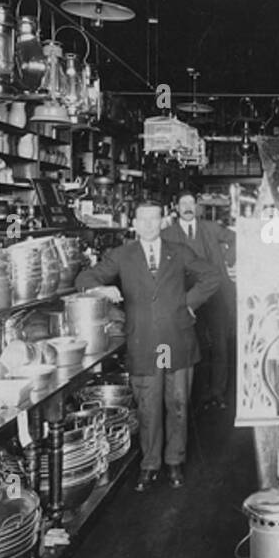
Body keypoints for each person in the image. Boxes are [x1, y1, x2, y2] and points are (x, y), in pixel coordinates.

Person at [76, 201, 220, 491]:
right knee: (148, 407)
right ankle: (150, 464)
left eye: (154, 219)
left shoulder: (178, 252)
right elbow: (84, 279)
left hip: (175, 341)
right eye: (143, 219)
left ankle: (174, 461)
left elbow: (212, 276)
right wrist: (101, 288)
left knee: (177, 404)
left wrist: (188, 304)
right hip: (144, 342)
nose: (149, 225)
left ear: (163, 221)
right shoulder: (121, 255)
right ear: (135, 223)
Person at [160, 191, 237, 411]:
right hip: (188, 296)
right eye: (183, 203)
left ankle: (218, 393)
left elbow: (235, 239)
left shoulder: (211, 228)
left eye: (191, 203)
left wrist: (228, 260)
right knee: (196, 344)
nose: (187, 207)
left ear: (197, 207)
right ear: (176, 207)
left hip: (217, 293)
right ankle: (200, 394)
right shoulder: (167, 234)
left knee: (220, 344)